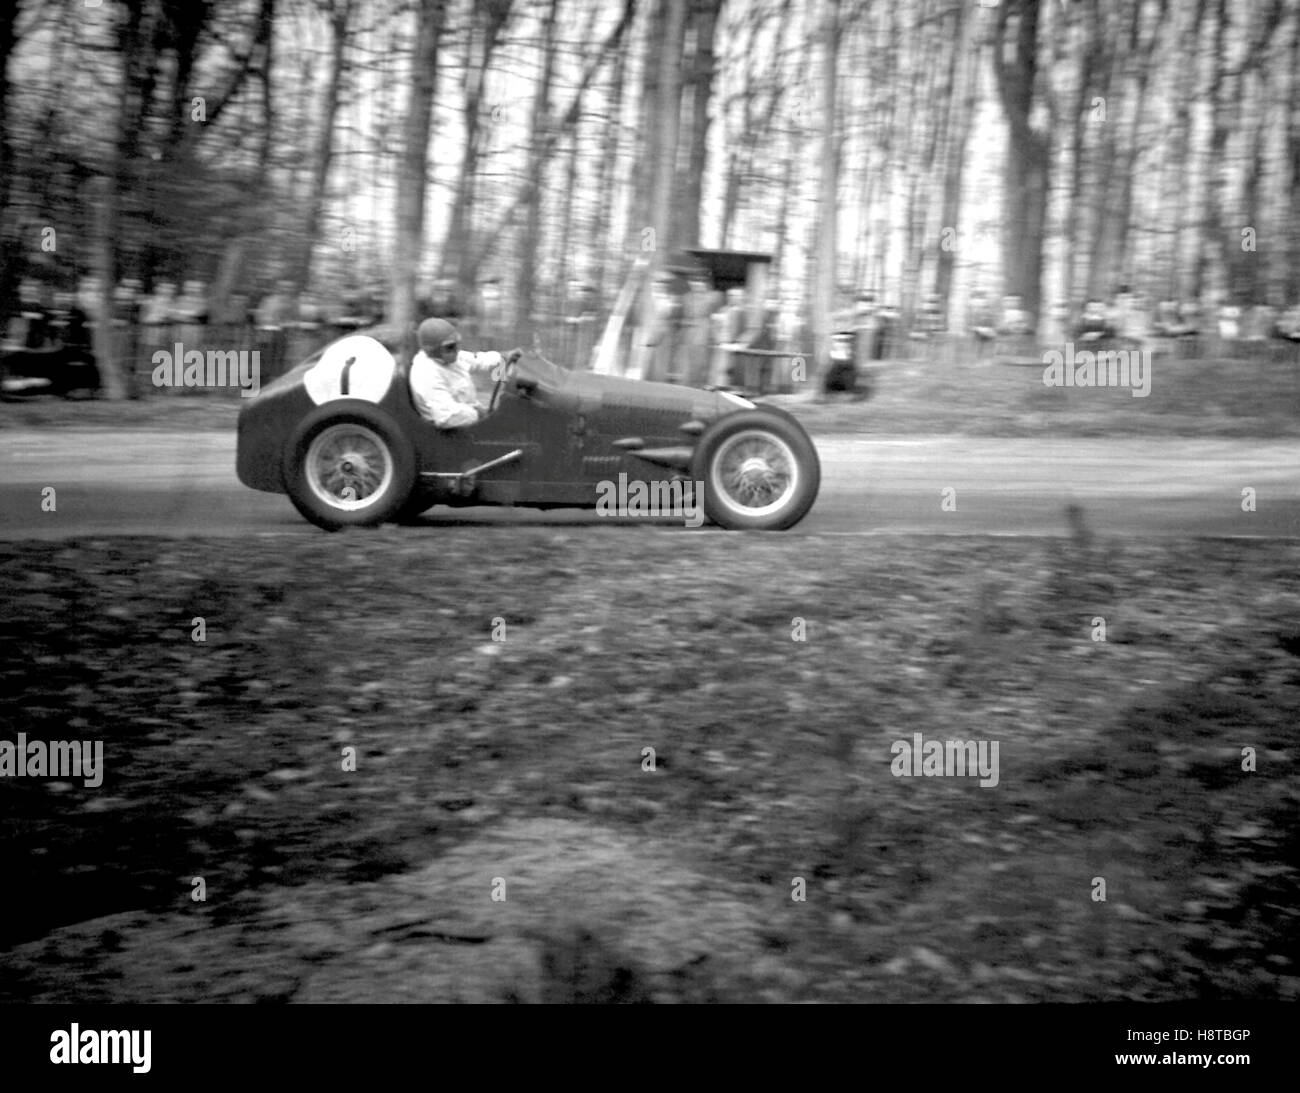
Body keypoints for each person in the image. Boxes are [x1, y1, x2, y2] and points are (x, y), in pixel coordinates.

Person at [409, 316, 521, 428]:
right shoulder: (426, 374)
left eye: (457, 344)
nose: (457, 350)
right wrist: (478, 414)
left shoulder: (448, 356)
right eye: (451, 347)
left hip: (468, 418)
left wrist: (503, 357)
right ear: (432, 349)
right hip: (450, 434)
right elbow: (447, 417)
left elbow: (477, 360)